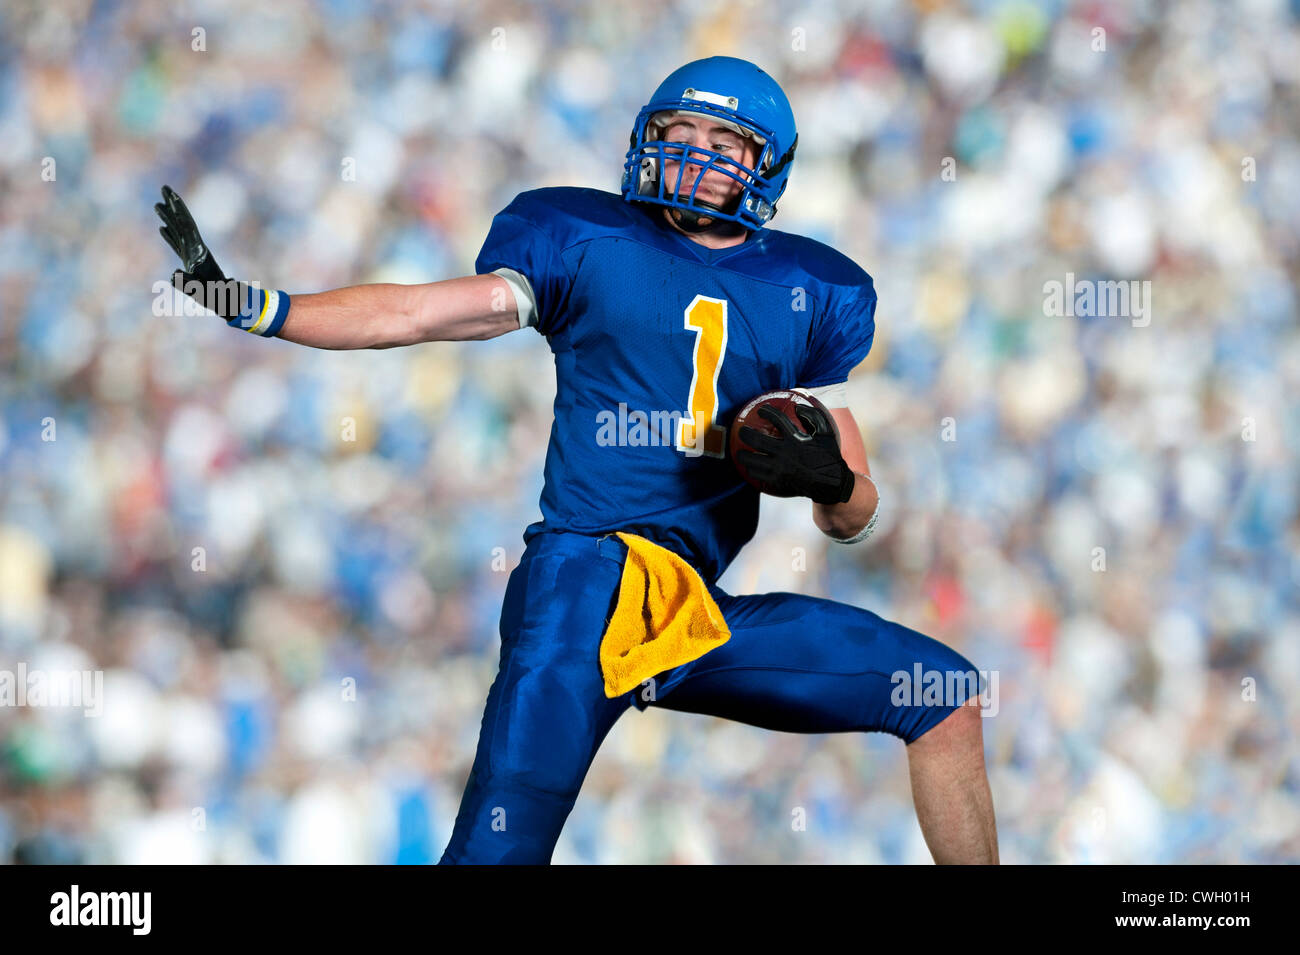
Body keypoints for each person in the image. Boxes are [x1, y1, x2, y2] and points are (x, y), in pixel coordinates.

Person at [157, 55, 998, 865]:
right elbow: (416, 313)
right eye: (679, 131)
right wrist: (257, 306)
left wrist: (835, 484)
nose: (693, 154)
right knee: (495, 853)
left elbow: (854, 517)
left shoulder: (813, 290)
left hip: (688, 611)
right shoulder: (585, 236)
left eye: (720, 142)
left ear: (765, 165)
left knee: (940, 694)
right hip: (584, 586)